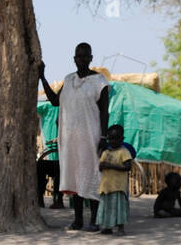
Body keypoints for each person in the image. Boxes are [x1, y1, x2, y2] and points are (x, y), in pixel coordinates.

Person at [38, 43, 109, 231]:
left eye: (85, 56)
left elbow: (104, 111)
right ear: (74, 59)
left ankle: (94, 219)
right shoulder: (69, 80)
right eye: (78, 56)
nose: (82, 59)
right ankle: (78, 220)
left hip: (91, 135)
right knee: (74, 177)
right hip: (70, 138)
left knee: (92, 176)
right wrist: (42, 77)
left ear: (91, 58)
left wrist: (103, 136)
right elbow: (55, 101)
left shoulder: (99, 81)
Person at [96, 124, 135, 235]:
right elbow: (100, 168)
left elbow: (128, 167)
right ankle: (107, 227)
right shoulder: (106, 152)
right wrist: (102, 165)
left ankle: (120, 228)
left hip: (118, 186)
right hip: (106, 186)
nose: (113, 141)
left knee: (119, 208)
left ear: (121, 139)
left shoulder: (124, 152)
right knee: (107, 207)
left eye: (116, 139)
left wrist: (111, 166)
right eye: (110, 139)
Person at [36, 137, 65, 209]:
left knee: (58, 173)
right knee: (40, 166)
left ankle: (58, 200)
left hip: (63, 162)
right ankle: (40, 198)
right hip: (56, 160)